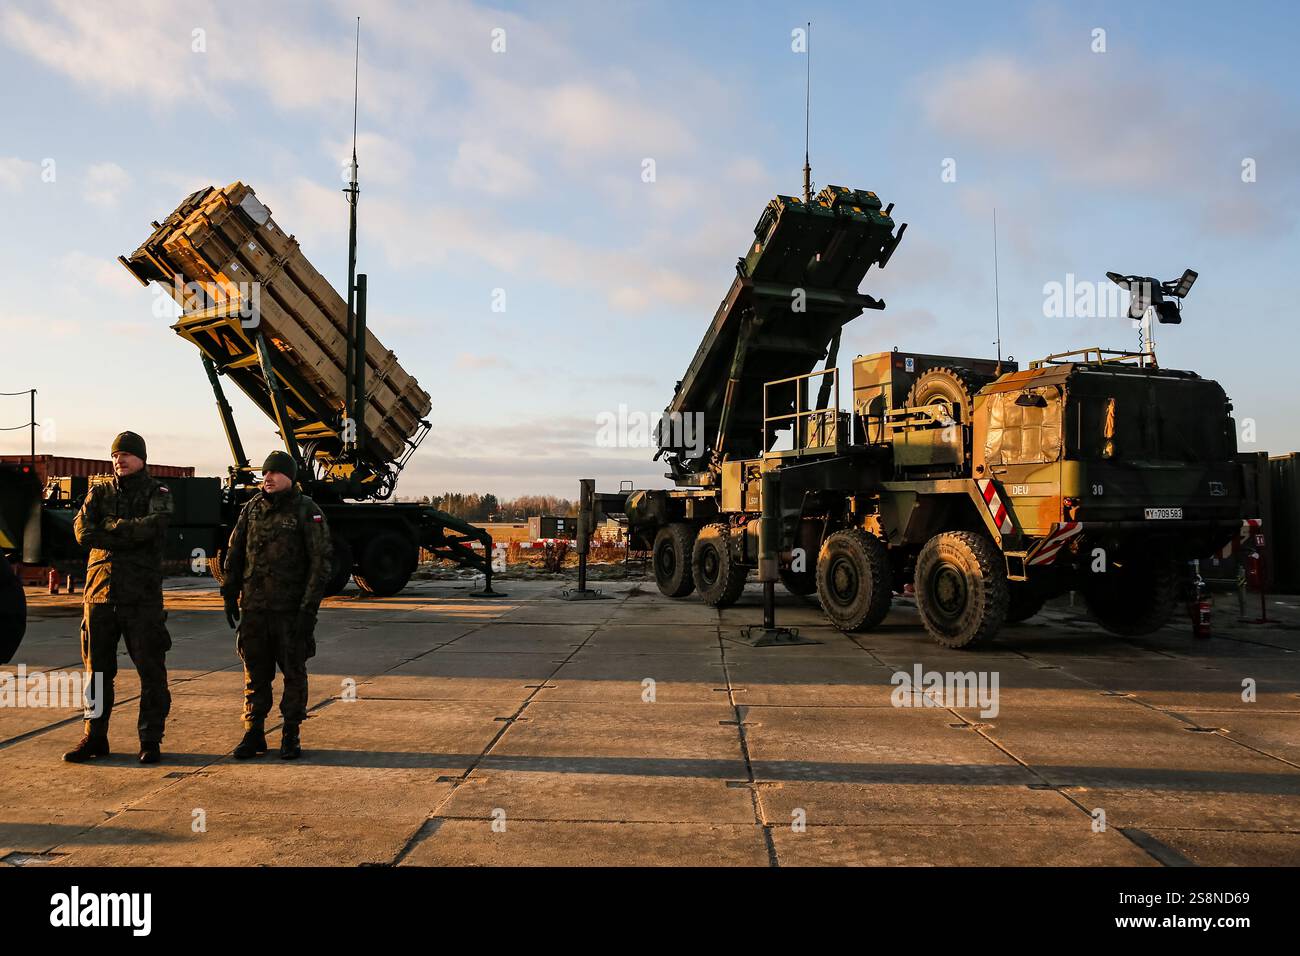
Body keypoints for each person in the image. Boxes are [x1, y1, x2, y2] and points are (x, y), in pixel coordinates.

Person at [66, 431, 173, 764]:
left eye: (126, 454)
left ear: (141, 458)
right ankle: (94, 737)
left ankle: (150, 740)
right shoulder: (99, 492)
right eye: (115, 455)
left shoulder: (158, 492)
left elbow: (153, 528)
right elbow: (82, 532)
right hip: (99, 595)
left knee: (151, 671)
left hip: (141, 597)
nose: (119, 460)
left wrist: (109, 528)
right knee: (97, 673)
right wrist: (126, 532)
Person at [222, 450, 332, 760]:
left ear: (290, 477)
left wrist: (308, 610)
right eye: (266, 473)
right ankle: (254, 731)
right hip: (255, 609)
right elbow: (235, 550)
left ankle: (290, 733)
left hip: (290, 611)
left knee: (293, 673)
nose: (267, 477)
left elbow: (320, 563)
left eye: (275, 473)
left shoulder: (307, 510)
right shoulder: (252, 508)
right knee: (255, 672)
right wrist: (229, 591)